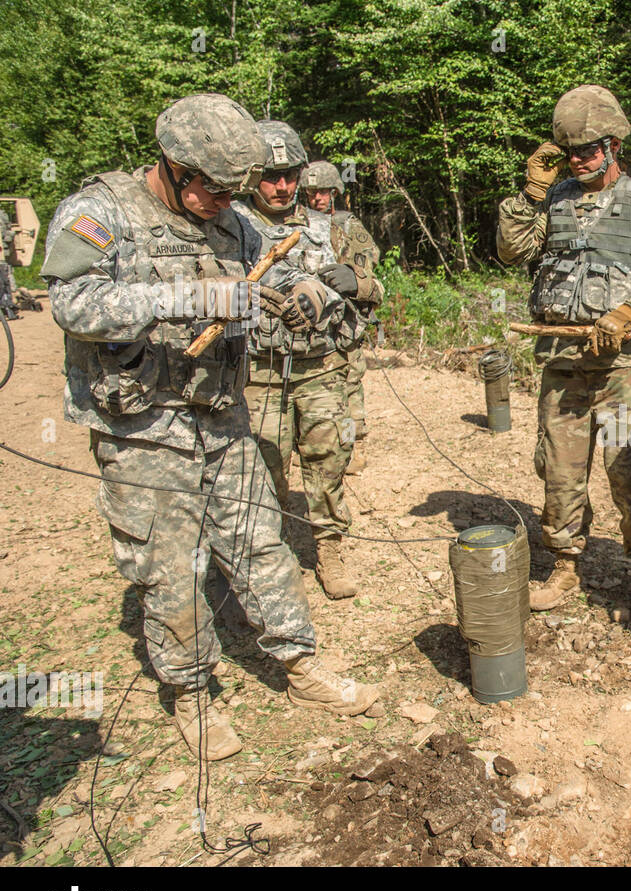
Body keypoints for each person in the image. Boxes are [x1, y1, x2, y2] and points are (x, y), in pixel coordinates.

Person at [39, 93, 380, 759]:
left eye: (235, 191)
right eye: (213, 189)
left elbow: (274, 286)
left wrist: (306, 301)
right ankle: (192, 694)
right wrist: (184, 295)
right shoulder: (100, 211)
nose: (226, 202)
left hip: (221, 416)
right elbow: (72, 303)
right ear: (172, 166)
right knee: (170, 568)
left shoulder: (235, 224)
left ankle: (301, 666)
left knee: (260, 545)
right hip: (141, 427)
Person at [496, 85, 631, 616]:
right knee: (558, 471)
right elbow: (510, 251)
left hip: (629, 365)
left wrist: (630, 312)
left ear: (613, 146)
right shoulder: (555, 198)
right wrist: (530, 194)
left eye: (589, 149)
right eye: (570, 152)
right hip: (564, 363)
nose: (579, 160)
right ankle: (564, 565)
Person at [232, 121, 381, 599]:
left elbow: (373, 291)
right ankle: (268, 556)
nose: (282, 187)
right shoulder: (228, 227)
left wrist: (354, 283)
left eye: (290, 175)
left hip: (322, 368)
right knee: (262, 470)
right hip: (258, 372)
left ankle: (330, 548)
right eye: (271, 176)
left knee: (327, 462)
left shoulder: (330, 227)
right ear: (252, 175)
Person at [302, 160, 383, 475]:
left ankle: (354, 447)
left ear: (335, 192)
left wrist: (349, 274)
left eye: (323, 191)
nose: (317, 198)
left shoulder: (349, 225)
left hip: (345, 323)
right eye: (311, 192)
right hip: (312, 323)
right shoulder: (300, 225)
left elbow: (366, 269)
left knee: (350, 392)